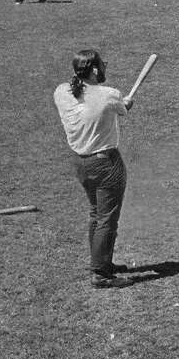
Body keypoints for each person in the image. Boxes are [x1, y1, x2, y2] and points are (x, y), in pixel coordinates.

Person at [53, 49, 136, 288]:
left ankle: (101, 262)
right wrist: (125, 103)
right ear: (96, 69)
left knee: (96, 213)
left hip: (81, 163)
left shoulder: (61, 91)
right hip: (106, 164)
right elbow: (122, 108)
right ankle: (101, 273)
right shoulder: (109, 95)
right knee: (107, 218)